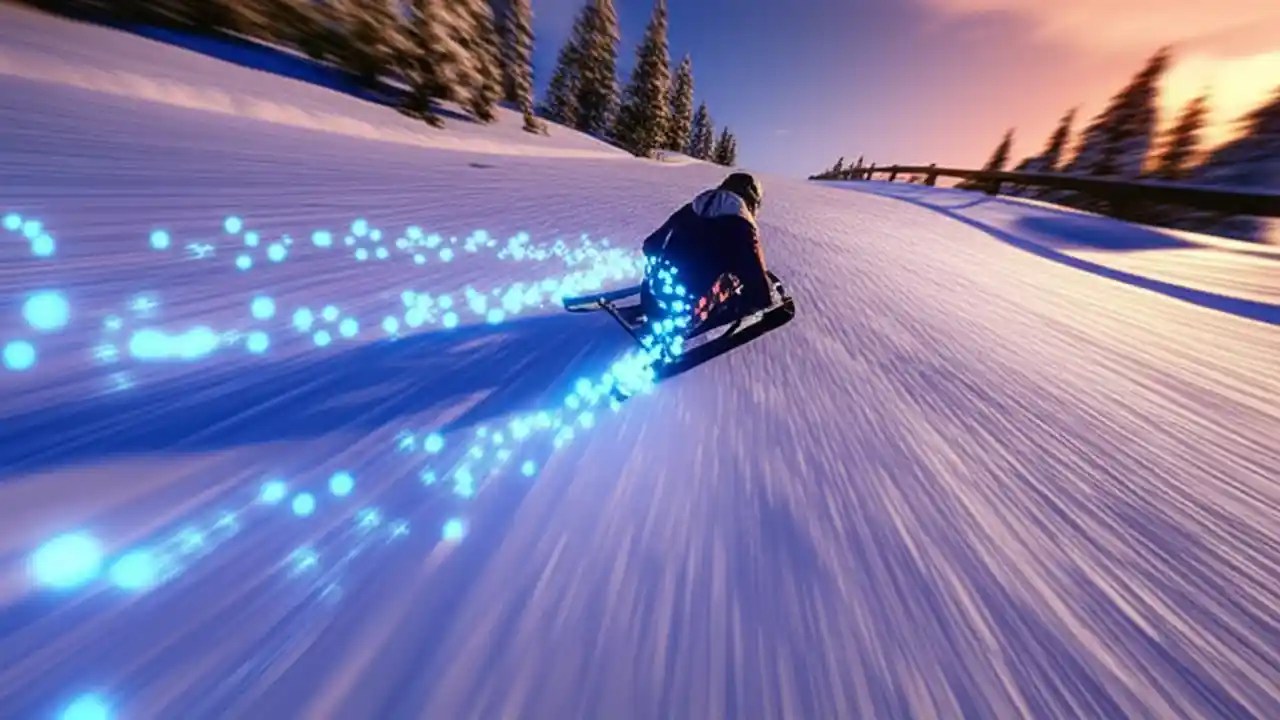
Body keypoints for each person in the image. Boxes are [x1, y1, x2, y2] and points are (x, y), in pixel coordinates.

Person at [638, 172, 773, 324]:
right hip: (686, 309)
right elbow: (755, 278)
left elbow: (650, 245)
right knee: (737, 275)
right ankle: (716, 311)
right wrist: (763, 298)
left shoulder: (693, 207)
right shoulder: (742, 225)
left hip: (650, 293)